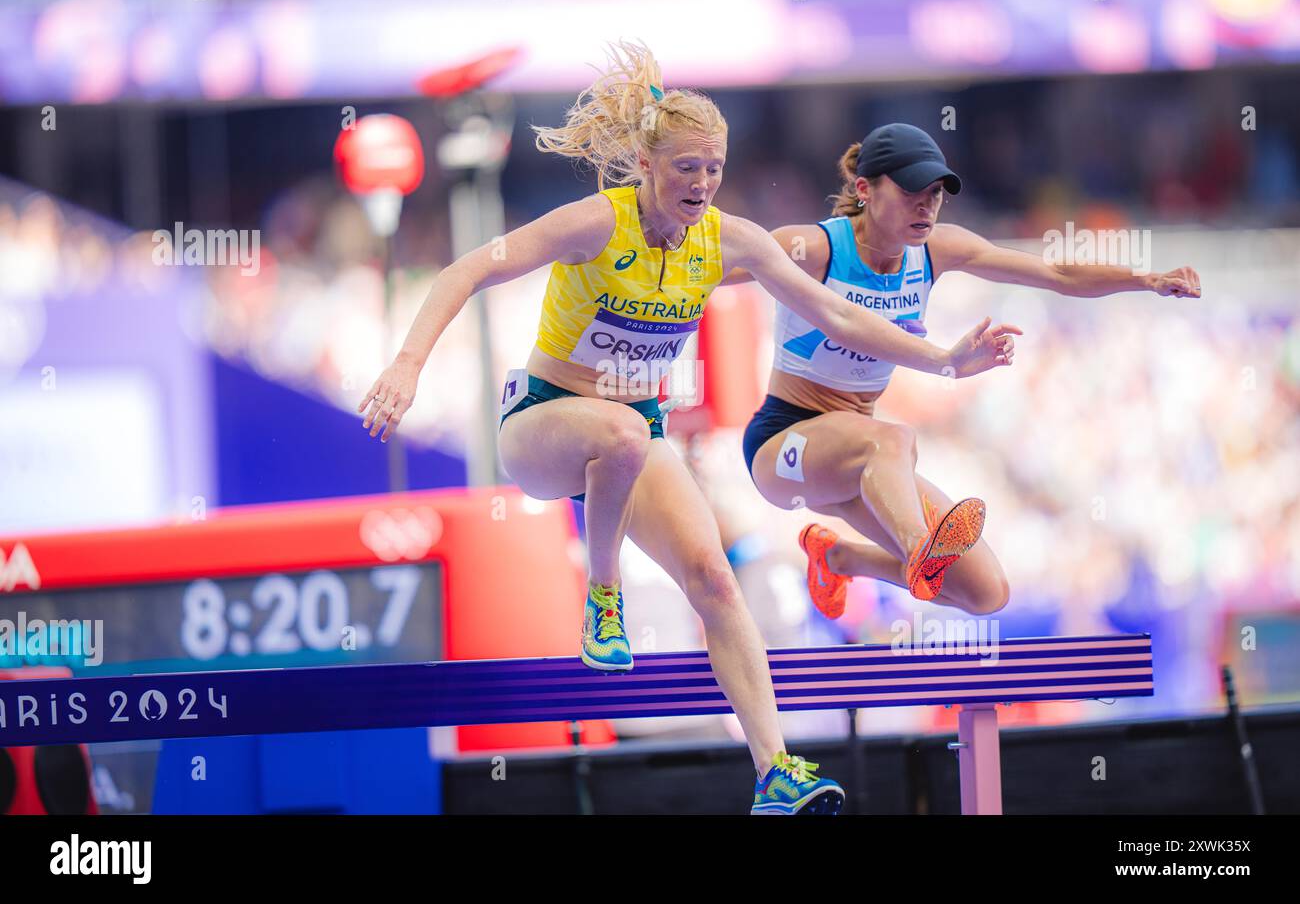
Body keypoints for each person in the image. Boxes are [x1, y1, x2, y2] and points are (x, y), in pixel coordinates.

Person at [357, 46, 1014, 814]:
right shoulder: (596, 223)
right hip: (543, 425)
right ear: (644, 164)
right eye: (686, 168)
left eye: (714, 168)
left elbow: (837, 313)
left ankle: (774, 771)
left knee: (714, 577)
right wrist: (407, 365)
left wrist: (944, 360)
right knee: (622, 434)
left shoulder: (730, 239)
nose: (702, 184)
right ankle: (603, 597)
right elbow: (466, 270)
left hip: (633, 442)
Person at [730, 123, 1201, 619]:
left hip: (857, 464)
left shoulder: (936, 250)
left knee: (986, 591)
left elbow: (1057, 273)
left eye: (935, 194)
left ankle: (841, 559)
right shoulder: (812, 247)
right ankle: (920, 551)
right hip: (782, 447)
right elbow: (711, 269)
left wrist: (1147, 279)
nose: (926, 207)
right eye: (912, 192)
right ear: (865, 189)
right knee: (893, 439)